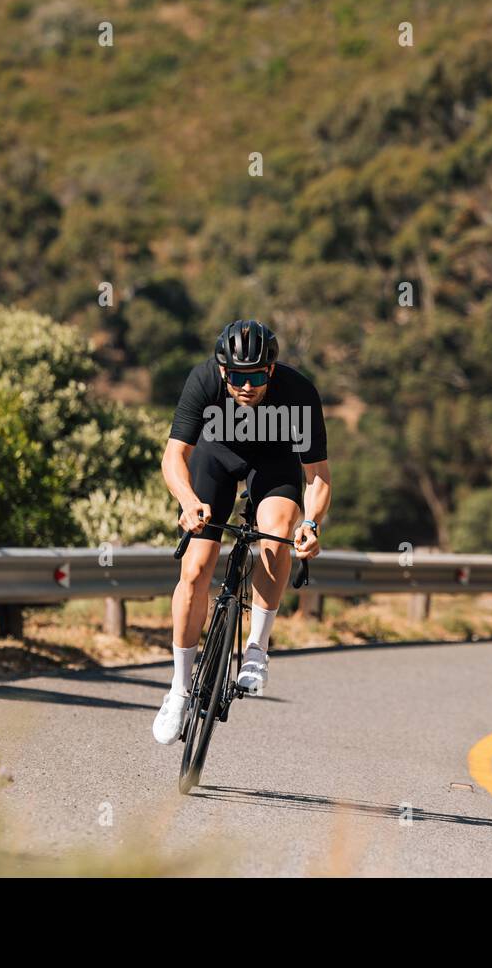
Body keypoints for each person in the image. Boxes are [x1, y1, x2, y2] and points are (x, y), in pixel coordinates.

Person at [153, 319, 331, 744]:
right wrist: (188, 501)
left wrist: (311, 524)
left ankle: (257, 648)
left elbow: (318, 476)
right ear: (222, 372)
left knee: (277, 533)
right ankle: (178, 690)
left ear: (271, 370)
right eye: (237, 376)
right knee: (195, 569)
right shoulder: (203, 382)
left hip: (273, 465)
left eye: (255, 376)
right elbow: (174, 456)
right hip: (216, 460)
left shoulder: (298, 392)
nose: (246, 386)